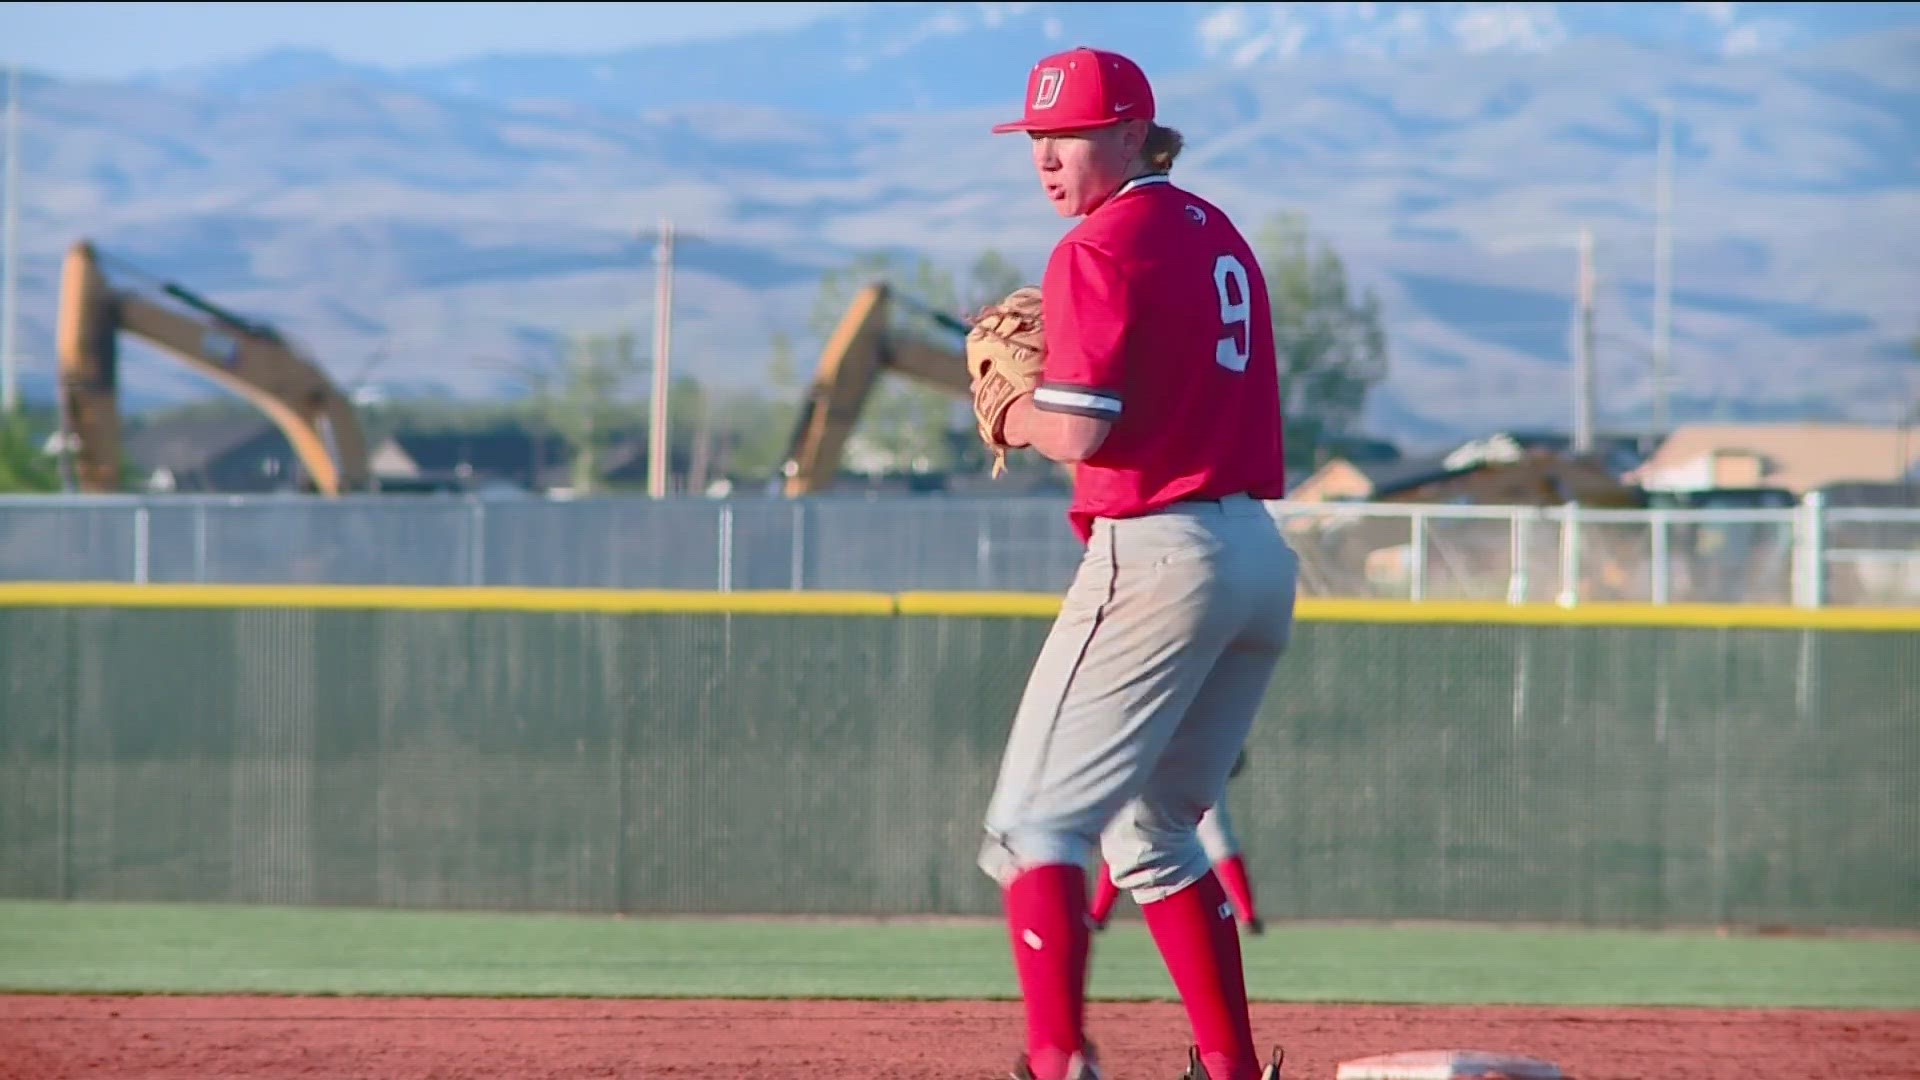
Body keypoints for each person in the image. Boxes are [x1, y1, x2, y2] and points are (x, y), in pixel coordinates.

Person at [971, 44, 1299, 1080]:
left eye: (1066, 136)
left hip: (1157, 553)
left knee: (1032, 826)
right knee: (1151, 833)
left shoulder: (1097, 245)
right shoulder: (1217, 233)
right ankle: (1231, 1069)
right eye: (1035, 138)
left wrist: (1012, 412)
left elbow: (1080, 430)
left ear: (1130, 133)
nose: (1044, 157)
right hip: (1255, 558)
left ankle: (1058, 1060)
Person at [1089, 752, 1265, 937]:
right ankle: (1098, 915)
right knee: (1126, 839)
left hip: (1195, 764)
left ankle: (1248, 916)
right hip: (1152, 767)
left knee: (1218, 838)